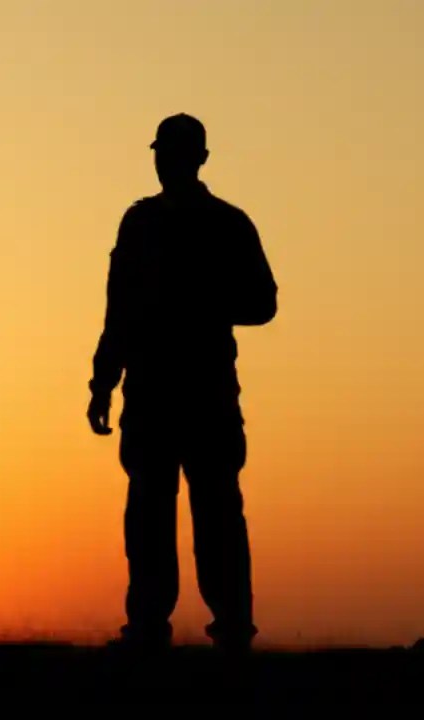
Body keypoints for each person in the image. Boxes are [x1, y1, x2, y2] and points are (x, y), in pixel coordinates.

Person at [87, 113, 277, 654]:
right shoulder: (139, 224)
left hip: (206, 396)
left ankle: (233, 630)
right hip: (150, 396)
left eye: (172, 152)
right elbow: (117, 309)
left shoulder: (228, 224)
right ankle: (148, 627)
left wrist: (202, 301)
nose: (163, 161)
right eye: (159, 152)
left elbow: (263, 302)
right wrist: (103, 382)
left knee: (215, 510)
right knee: (149, 512)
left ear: (197, 159)